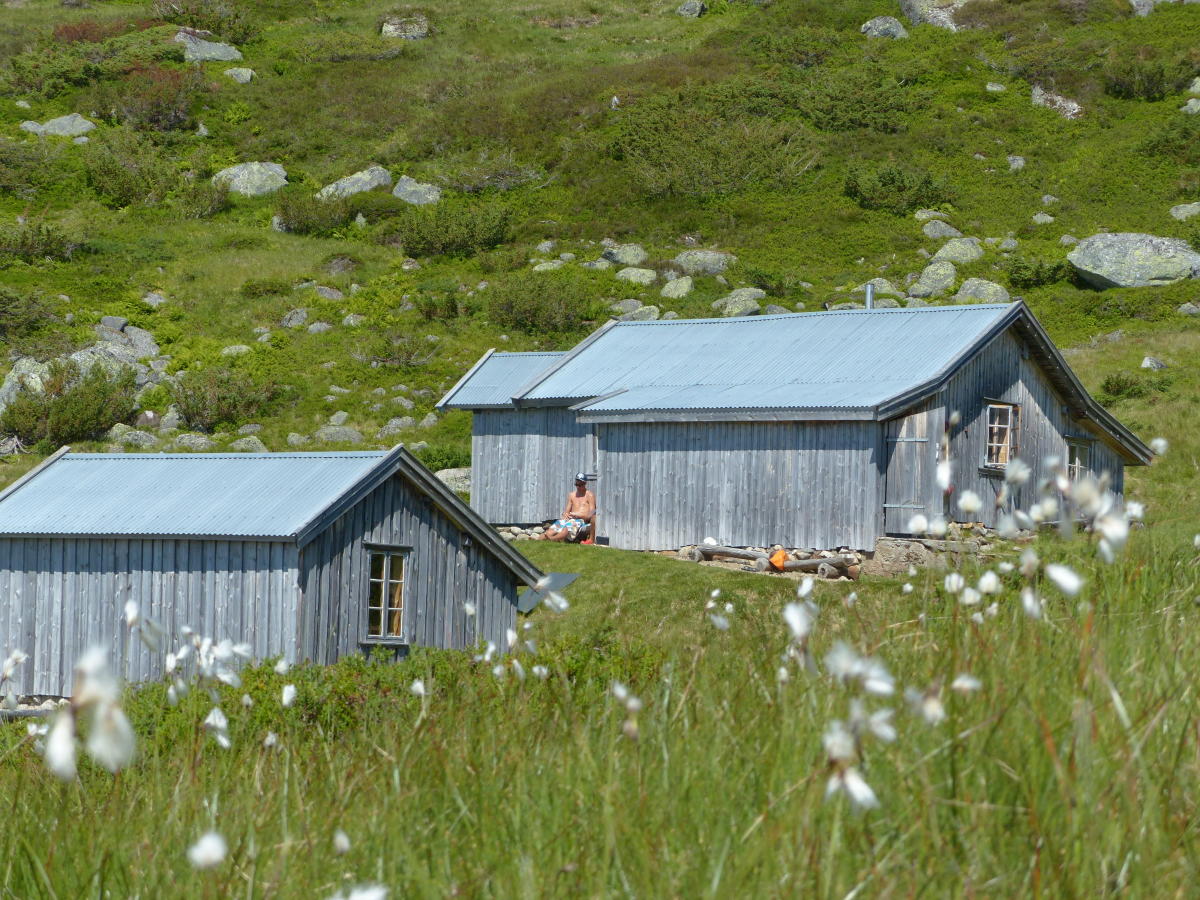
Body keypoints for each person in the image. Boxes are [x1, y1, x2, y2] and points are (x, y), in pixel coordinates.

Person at [540, 473, 597, 543]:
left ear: (585, 483)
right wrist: (565, 515)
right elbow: (566, 511)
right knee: (549, 531)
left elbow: (592, 512)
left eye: (580, 485)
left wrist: (580, 516)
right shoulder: (572, 495)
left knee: (566, 529)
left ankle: (552, 539)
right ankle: (535, 541)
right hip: (570, 519)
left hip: (580, 521)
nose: (578, 487)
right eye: (576, 484)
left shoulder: (589, 495)